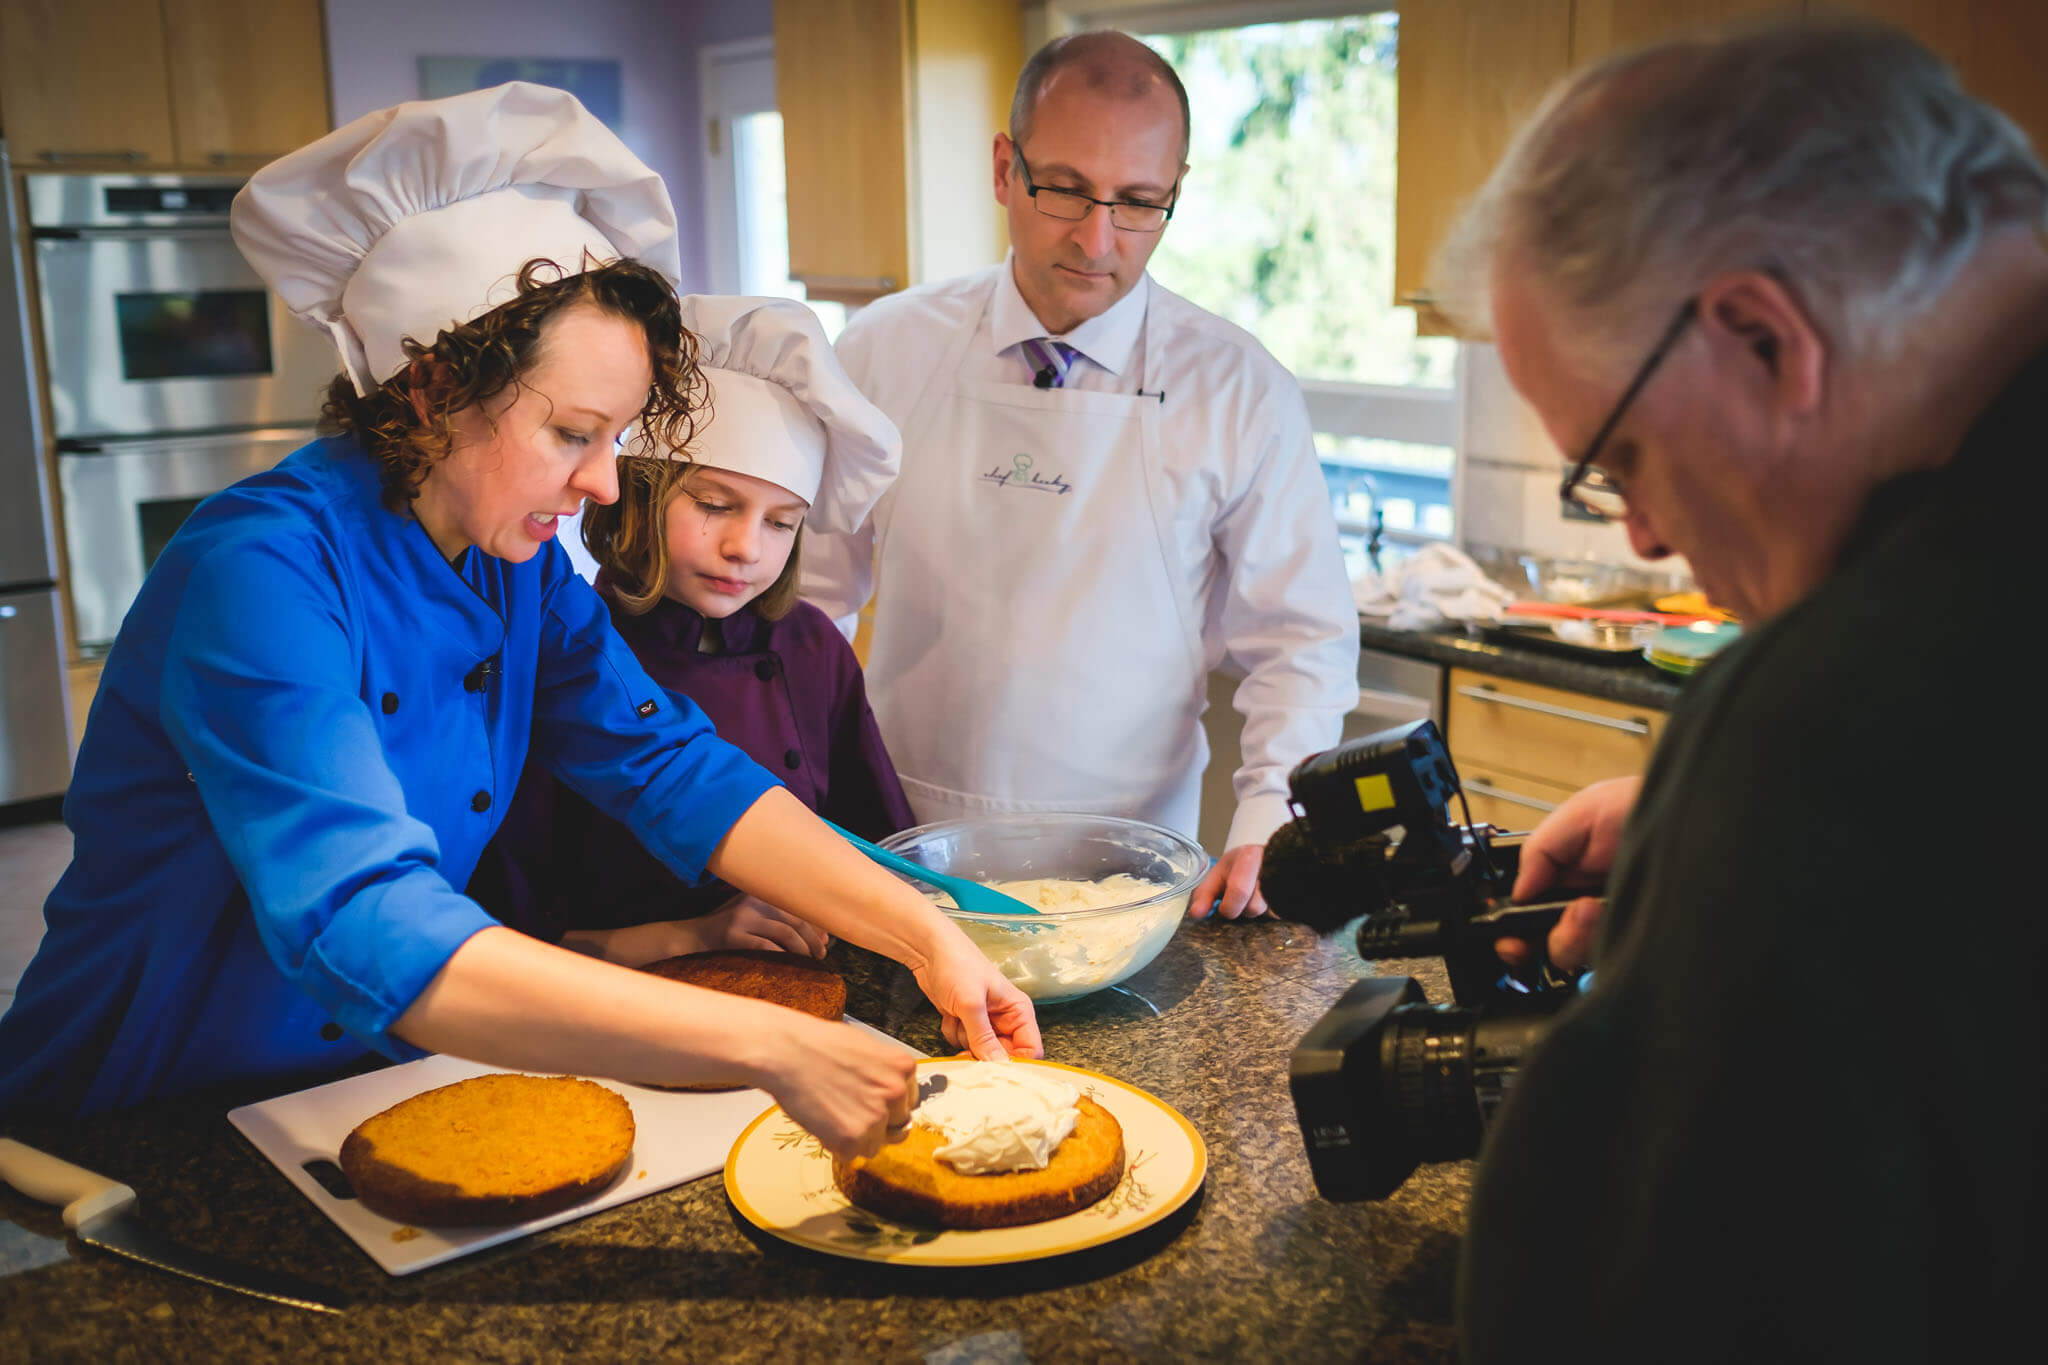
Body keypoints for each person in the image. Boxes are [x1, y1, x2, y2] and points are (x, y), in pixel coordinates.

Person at [0, 84, 1039, 1154]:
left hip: (358, 1083)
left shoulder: (512, 569)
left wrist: (924, 934)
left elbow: (676, 767)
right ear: (434, 387)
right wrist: (765, 1043)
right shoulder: (261, 573)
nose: (601, 485)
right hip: (151, 1103)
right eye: (573, 434)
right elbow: (366, 922)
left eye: (618, 437)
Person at [1429, 19, 2045, 1359]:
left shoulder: (1828, 720)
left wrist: (1744, 817)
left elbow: (1666, 1297)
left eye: (1617, 455)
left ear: (1762, 336)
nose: (1642, 535)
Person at [800, 32, 1360, 921]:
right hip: (897, 851)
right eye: (1063, 188)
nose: (1097, 238)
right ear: (1002, 169)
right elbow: (807, 603)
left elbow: (1301, 644)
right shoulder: (882, 351)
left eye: (1138, 202)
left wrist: (1266, 819)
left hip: (1129, 879)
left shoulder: (1239, 389)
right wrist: (784, 800)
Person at [472, 296, 915, 958]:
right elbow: (506, 939)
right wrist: (699, 934)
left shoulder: (813, 647)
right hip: (608, 1006)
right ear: (636, 494)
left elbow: (883, 857)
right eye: (715, 504)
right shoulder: (571, 654)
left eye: (781, 521)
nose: (747, 547)